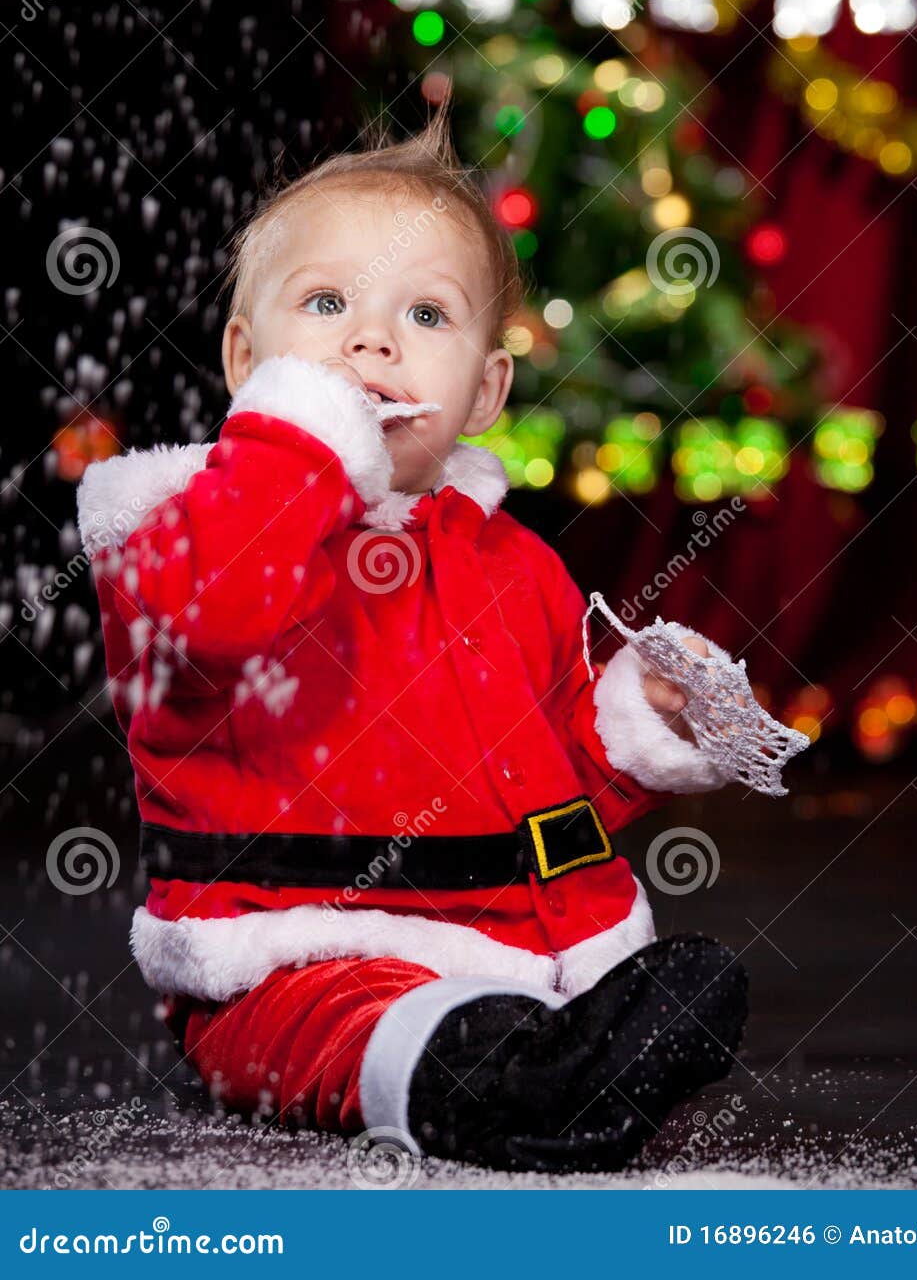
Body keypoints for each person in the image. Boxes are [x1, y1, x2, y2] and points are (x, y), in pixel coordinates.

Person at [77, 107, 775, 1175]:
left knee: (553, 997)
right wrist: (300, 442)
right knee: (348, 1020)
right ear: (242, 358)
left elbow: (548, 794)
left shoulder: (512, 566)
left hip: (511, 949)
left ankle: (558, 1054)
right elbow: (222, 610)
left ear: (484, 391)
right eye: (325, 305)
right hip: (282, 957)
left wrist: (630, 732)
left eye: (425, 315)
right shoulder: (180, 529)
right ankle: (495, 1084)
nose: (371, 340)